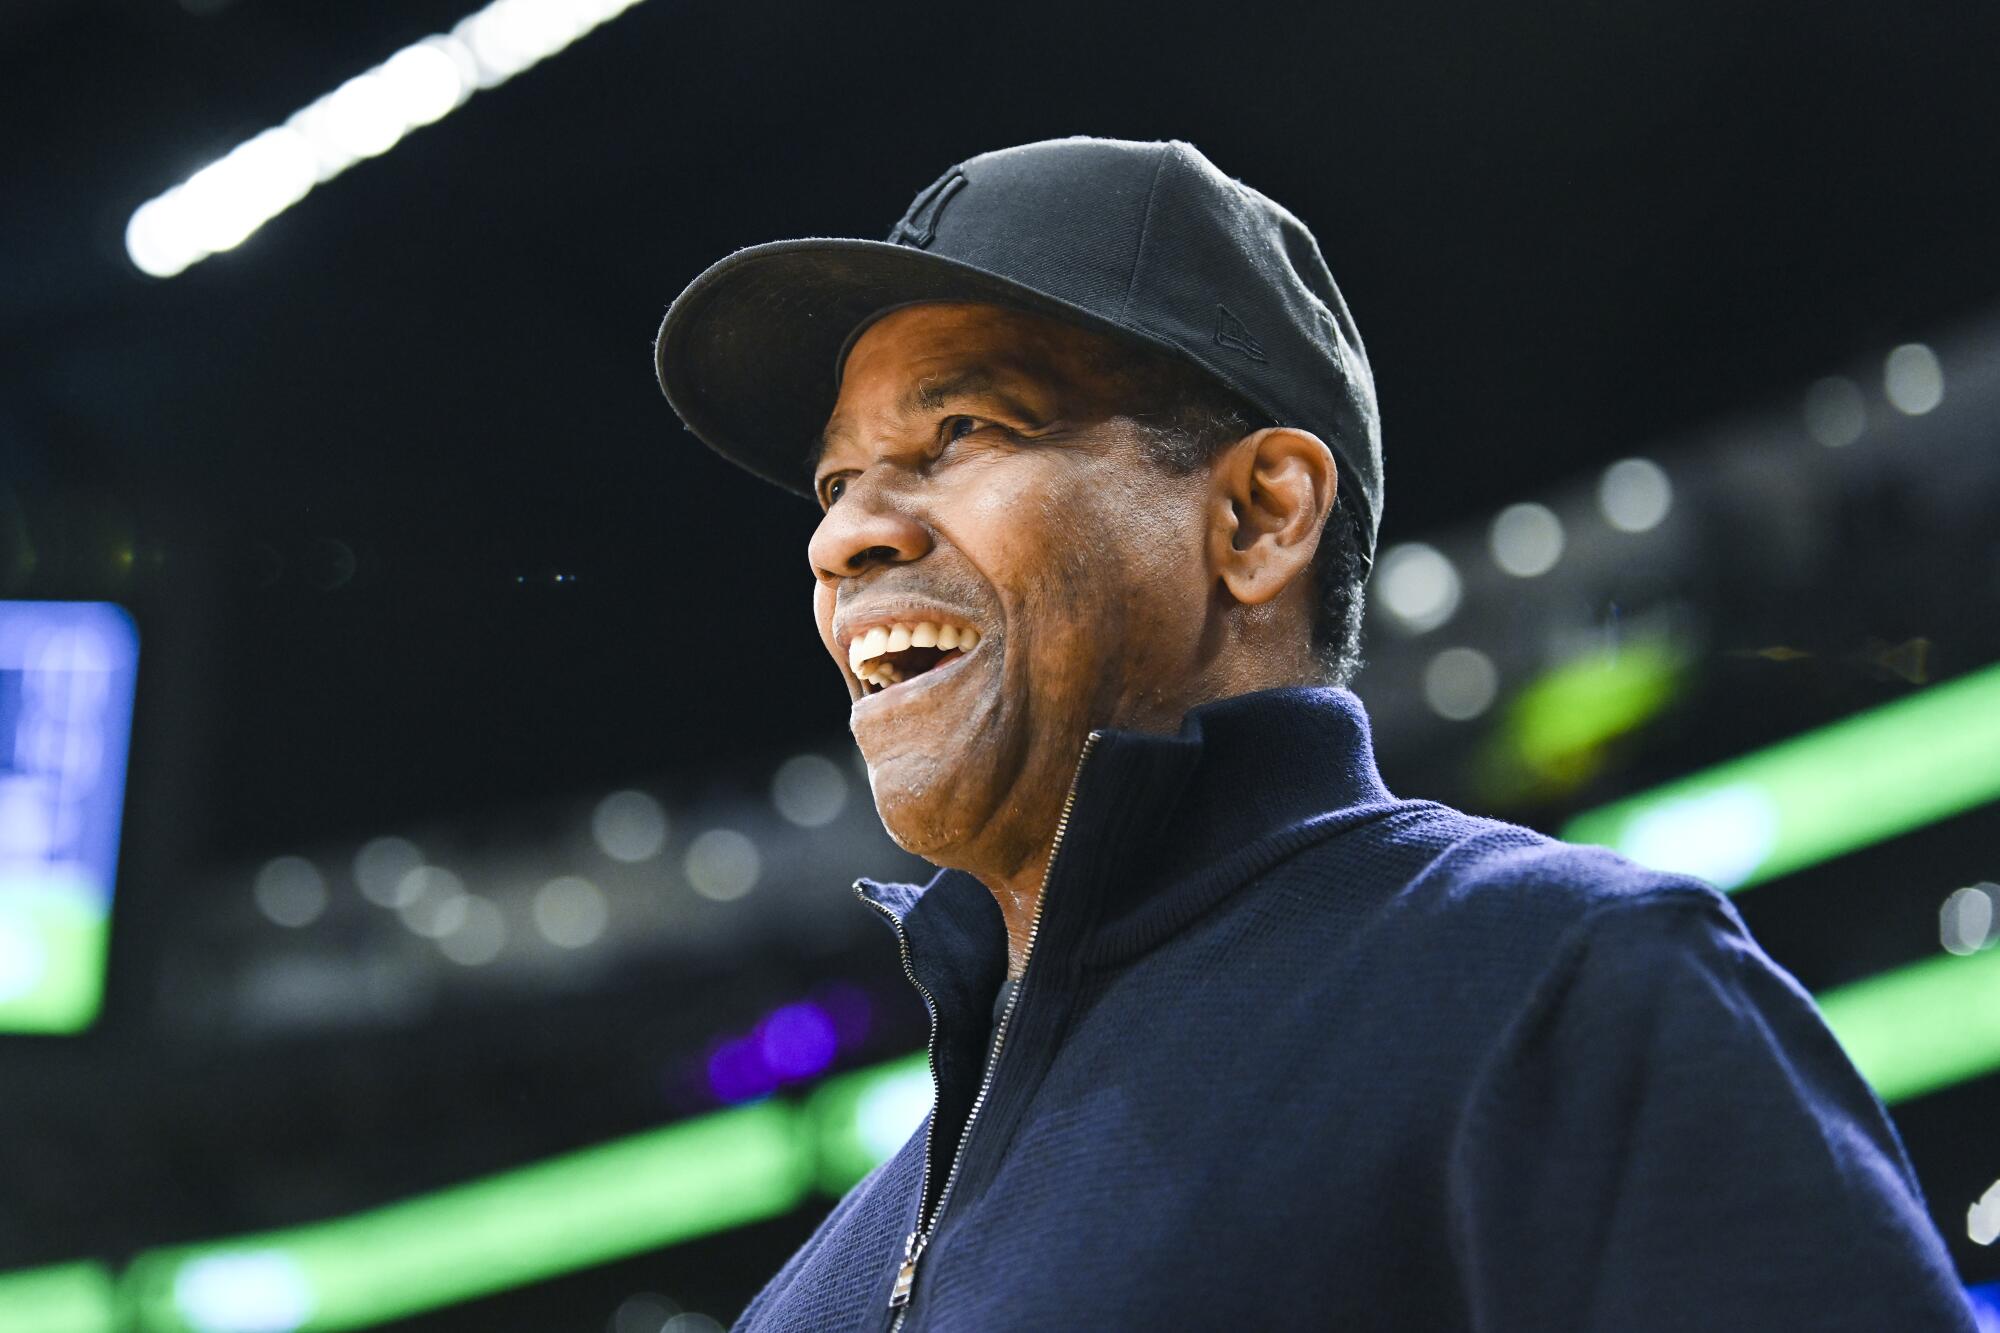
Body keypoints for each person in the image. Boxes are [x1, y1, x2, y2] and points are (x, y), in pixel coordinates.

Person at [654, 137, 1973, 1331]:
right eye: (838, 482)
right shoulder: (808, 1294)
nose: (844, 537)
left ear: (1259, 516)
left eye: (960, 431)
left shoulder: (1565, 999)